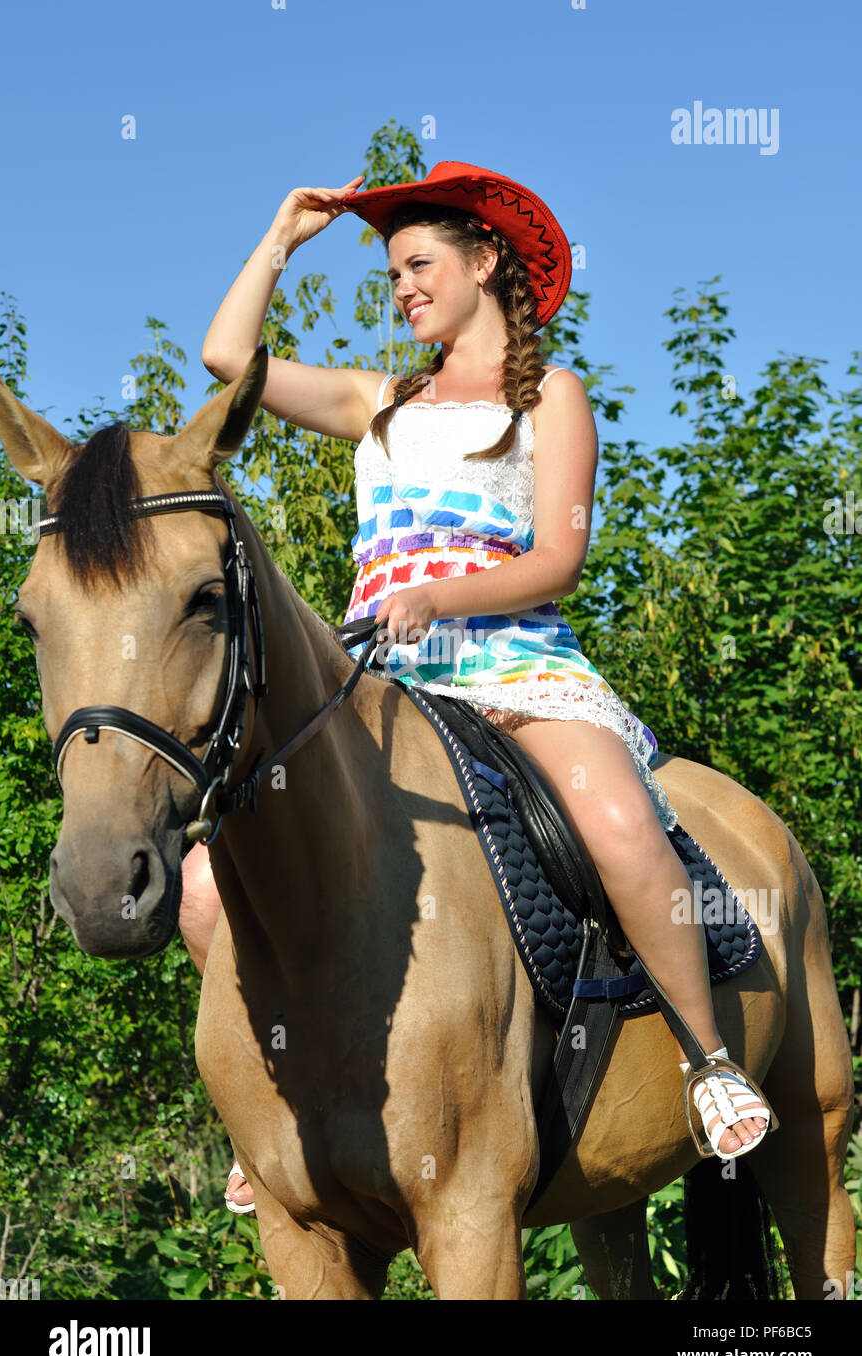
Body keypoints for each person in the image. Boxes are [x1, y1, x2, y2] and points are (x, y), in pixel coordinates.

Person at [194, 160, 774, 1214]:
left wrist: (444, 596)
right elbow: (225, 356)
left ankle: (706, 1060)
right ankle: (275, 1102)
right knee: (204, 880)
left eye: (418, 264)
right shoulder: (379, 402)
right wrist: (278, 241)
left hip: (512, 665)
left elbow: (559, 557)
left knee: (620, 825)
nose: (402, 287)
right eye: (391, 274)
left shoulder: (550, 397)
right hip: (376, 677)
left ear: (485, 260)